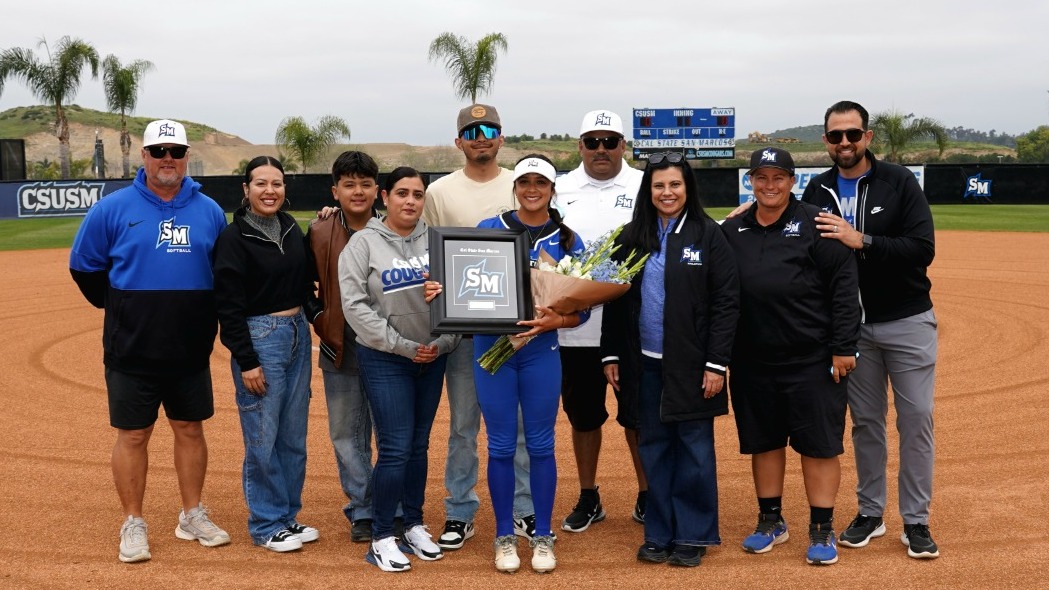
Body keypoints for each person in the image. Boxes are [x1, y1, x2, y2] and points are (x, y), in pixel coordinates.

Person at [69, 119, 231, 563]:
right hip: (131, 348)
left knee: (190, 429)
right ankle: (133, 522)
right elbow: (84, 267)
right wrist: (121, 308)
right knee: (134, 435)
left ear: (185, 157)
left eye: (175, 152)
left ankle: (191, 514)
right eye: (158, 151)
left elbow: (223, 273)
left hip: (190, 348)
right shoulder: (112, 208)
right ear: (144, 156)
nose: (167, 160)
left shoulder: (210, 211)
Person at [430, 154, 587, 573]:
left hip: (541, 352)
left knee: (540, 445)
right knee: (500, 445)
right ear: (514, 187)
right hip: (491, 350)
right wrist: (444, 292)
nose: (532, 189)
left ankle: (542, 536)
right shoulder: (488, 230)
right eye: (524, 182)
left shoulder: (569, 240)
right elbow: (464, 283)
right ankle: (503, 535)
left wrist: (560, 318)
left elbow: (584, 310)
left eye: (541, 182)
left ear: (553, 190)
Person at [803, 100, 939, 559]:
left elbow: (922, 248)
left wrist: (861, 239)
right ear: (826, 140)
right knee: (865, 423)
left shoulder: (898, 182)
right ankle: (871, 512)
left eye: (853, 134)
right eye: (835, 135)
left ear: (868, 137)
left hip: (906, 319)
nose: (845, 142)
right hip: (851, 330)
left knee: (916, 418)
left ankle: (916, 520)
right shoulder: (817, 189)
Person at [721, 146, 860, 566]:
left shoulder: (816, 223)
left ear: (792, 181)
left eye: (778, 177)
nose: (769, 185)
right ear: (750, 182)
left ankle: (821, 527)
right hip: (752, 359)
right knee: (764, 443)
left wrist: (843, 347)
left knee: (818, 446)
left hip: (813, 359)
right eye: (761, 177)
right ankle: (771, 521)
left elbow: (843, 288)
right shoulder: (733, 229)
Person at [602, 152, 740, 567]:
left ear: (687, 188)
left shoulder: (708, 234)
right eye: (659, 185)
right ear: (649, 190)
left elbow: (726, 303)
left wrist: (716, 363)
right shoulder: (630, 236)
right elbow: (610, 295)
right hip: (642, 362)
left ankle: (694, 534)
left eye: (675, 185)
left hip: (693, 365)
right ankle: (659, 532)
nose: (667, 192)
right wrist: (610, 353)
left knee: (695, 448)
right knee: (654, 446)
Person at [423, 104, 537, 549]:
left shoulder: (522, 184)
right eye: (471, 131)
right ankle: (459, 511)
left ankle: (525, 510)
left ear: (501, 137)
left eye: (489, 129)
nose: (481, 136)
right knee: (463, 426)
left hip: (519, 329)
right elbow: (429, 250)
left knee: (523, 427)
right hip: (467, 329)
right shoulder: (441, 191)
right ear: (459, 142)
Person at [340, 166, 459, 572]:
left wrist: (443, 342)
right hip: (387, 357)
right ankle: (381, 536)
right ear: (385, 197)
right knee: (394, 448)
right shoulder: (363, 244)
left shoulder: (440, 240)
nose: (411, 201)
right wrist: (404, 347)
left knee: (419, 445)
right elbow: (355, 307)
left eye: (418, 194)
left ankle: (412, 523)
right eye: (402, 193)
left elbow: (460, 297)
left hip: (434, 354)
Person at [213, 156, 317, 553]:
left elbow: (306, 282)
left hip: (296, 334)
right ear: (246, 190)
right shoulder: (233, 237)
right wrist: (247, 360)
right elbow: (227, 305)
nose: (270, 190)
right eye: (261, 183)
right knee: (262, 436)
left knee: (293, 436)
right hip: (261, 338)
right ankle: (265, 523)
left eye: (277, 183)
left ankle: (288, 517)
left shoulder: (291, 227)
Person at [555, 109, 647, 532]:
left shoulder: (644, 184)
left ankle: (648, 493)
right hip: (576, 329)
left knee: (637, 415)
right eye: (592, 141)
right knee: (584, 416)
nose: (601, 149)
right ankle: (589, 495)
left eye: (610, 141)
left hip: (633, 326)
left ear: (622, 146)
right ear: (580, 146)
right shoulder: (560, 187)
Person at [304, 151, 386, 543]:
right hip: (341, 347)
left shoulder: (397, 229)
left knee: (392, 433)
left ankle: (393, 505)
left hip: (390, 349)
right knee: (346, 434)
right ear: (335, 191)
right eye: (349, 184)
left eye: (365, 184)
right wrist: (321, 319)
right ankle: (364, 509)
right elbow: (305, 286)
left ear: (378, 191)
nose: (358, 191)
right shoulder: (320, 232)